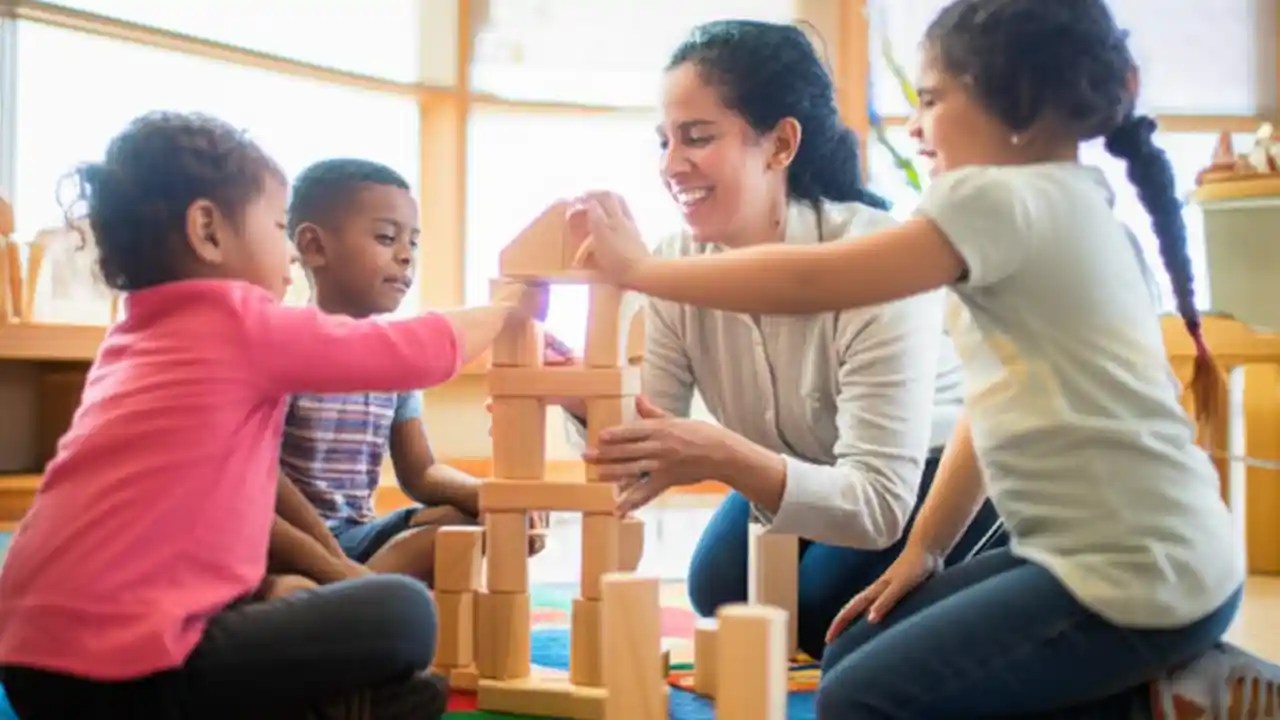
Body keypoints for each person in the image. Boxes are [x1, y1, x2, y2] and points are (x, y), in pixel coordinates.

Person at [570, 0, 1280, 716]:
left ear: (1015, 100)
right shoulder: (1073, 203)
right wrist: (927, 552)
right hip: (1138, 557)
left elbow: (811, 280)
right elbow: (992, 402)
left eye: (933, 100)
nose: (915, 125)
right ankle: (1165, 691)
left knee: (856, 699)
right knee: (852, 646)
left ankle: (1162, 699)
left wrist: (637, 272)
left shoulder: (993, 199)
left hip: (1138, 574)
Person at [0, 111, 539, 719]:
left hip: (30, 665)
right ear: (208, 231)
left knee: (345, 636)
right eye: (280, 226)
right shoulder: (239, 322)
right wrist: (504, 309)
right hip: (132, 674)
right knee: (404, 614)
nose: (288, 250)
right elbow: (415, 349)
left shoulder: (130, 341)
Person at [563, 19, 1007, 662]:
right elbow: (645, 446)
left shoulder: (874, 256)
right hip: (811, 463)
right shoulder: (673, 262)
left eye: (697, 137)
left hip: (920, 471)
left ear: (780, 145)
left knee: (821, 613)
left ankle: (991, 553)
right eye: (664, 141)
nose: (669, 164)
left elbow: (878, 503)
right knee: (720, 588)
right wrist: (579, 399)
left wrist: (723, 455)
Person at [266, 158, 545, 589]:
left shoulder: (395, 362)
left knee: (461, 522)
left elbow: (421, 473)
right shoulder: (282, 349)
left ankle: (355, 594)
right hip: (290, 543)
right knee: (294, 585)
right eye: (385, 237)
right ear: (313, 246)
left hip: (359, 534)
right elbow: (265, 483)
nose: (405, 256)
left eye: (412, 243)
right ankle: (355, 594)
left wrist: (493, 497)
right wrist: (330, 558)